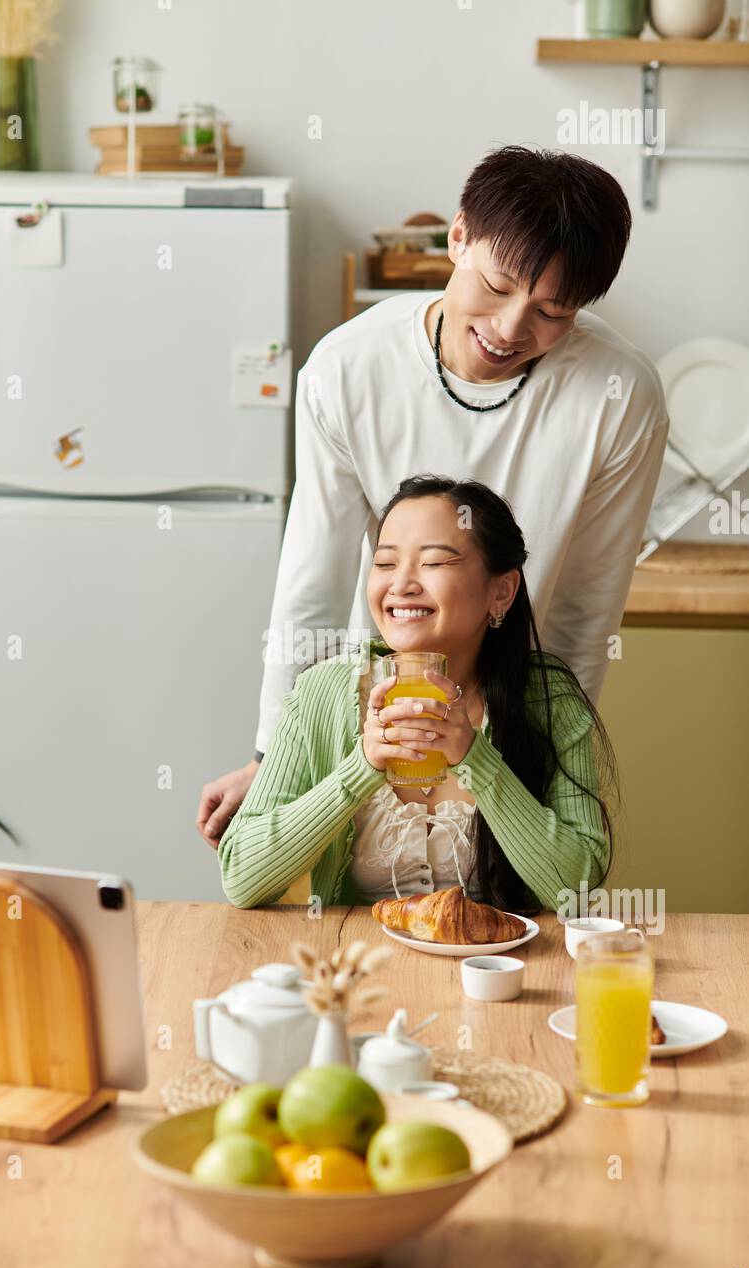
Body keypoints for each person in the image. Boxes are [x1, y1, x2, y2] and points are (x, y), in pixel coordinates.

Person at [199, 145, 667, 849]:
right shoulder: (349, 368)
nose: (512, 329)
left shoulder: (619, 397)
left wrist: (542, 781)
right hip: (379, 703)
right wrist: (271, 763)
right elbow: (311, 585)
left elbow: (583, 612)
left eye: (552, 311)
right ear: (457, 238)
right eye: (499, 285)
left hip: (514, 708)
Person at [218, 477, 614, 913]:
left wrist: (475, 759)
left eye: (434, 563)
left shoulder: (549, 699)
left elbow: (574, 893)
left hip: (492, 972)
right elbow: (241, 877)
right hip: (361, 971)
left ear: (500, 591)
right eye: (385, 564)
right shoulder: (322, 693)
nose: (401, 584)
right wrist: (360, 770)